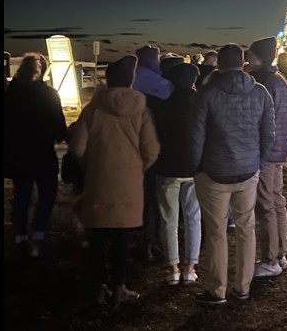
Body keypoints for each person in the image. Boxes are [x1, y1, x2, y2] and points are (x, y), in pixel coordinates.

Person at [71, 55, 161, 306]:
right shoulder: (142, 110)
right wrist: (136, 169)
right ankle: (119, 287)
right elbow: (151, 150)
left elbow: (77, 147)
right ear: (131, 80)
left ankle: (99, 286)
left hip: (99, 179)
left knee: (98, 235)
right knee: (122, 237)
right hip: (129, 182)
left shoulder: (93, 109)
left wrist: (91, 166)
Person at [189, 43, 274, 305]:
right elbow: (268, 133)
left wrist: (196, 166)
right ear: (243, 63)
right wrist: (258, 161)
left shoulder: (207, 94)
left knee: (216, 232)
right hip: (248, 170)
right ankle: (243, 286)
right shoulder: (260, 93)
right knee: (246, 228)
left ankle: (217, 289)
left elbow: (197, 137)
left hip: (214, 172)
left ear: (219, 65)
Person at [4, 53, 68, 259]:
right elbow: (59, 128)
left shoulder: (9, 93)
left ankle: (20, 236)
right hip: (42, 153)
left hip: (18, 154)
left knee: (22, 194)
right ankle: (38, 234)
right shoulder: (49, 94)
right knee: (47, 195)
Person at [247, 37, 287, 280]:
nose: (248, 59)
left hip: (267, 150)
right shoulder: (280, 80)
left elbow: (263, 118)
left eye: (251, 55)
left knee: (265, 205)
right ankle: (280, 253)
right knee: (276, 201)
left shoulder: (263, 82)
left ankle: (270, 258)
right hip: (279, 149)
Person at [154, 63, 203, 287]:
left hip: (167, 168)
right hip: (195, 168)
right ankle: (190, 267)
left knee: (169, 219)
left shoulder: (162, 107)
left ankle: (173, 268)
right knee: (193, 218)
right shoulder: (202, 105)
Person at [134, 45, 172, 262]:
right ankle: (149, 239)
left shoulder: (133, 80)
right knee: (151, 195)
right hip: (152, 144)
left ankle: (137, 234)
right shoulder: (159, 84)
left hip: (132, 146)